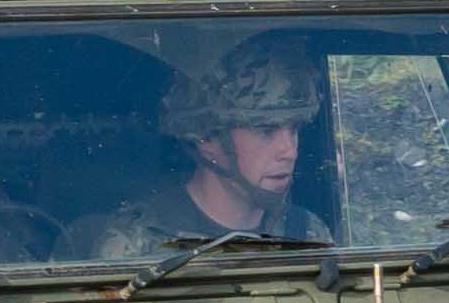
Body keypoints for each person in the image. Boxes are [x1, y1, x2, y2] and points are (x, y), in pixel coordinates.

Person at [126, 27, 329, 252]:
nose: (290, 152)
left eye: (295, 130)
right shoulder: (139, 242)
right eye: (266, 131)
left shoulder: (307, 234)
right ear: (206, 137)